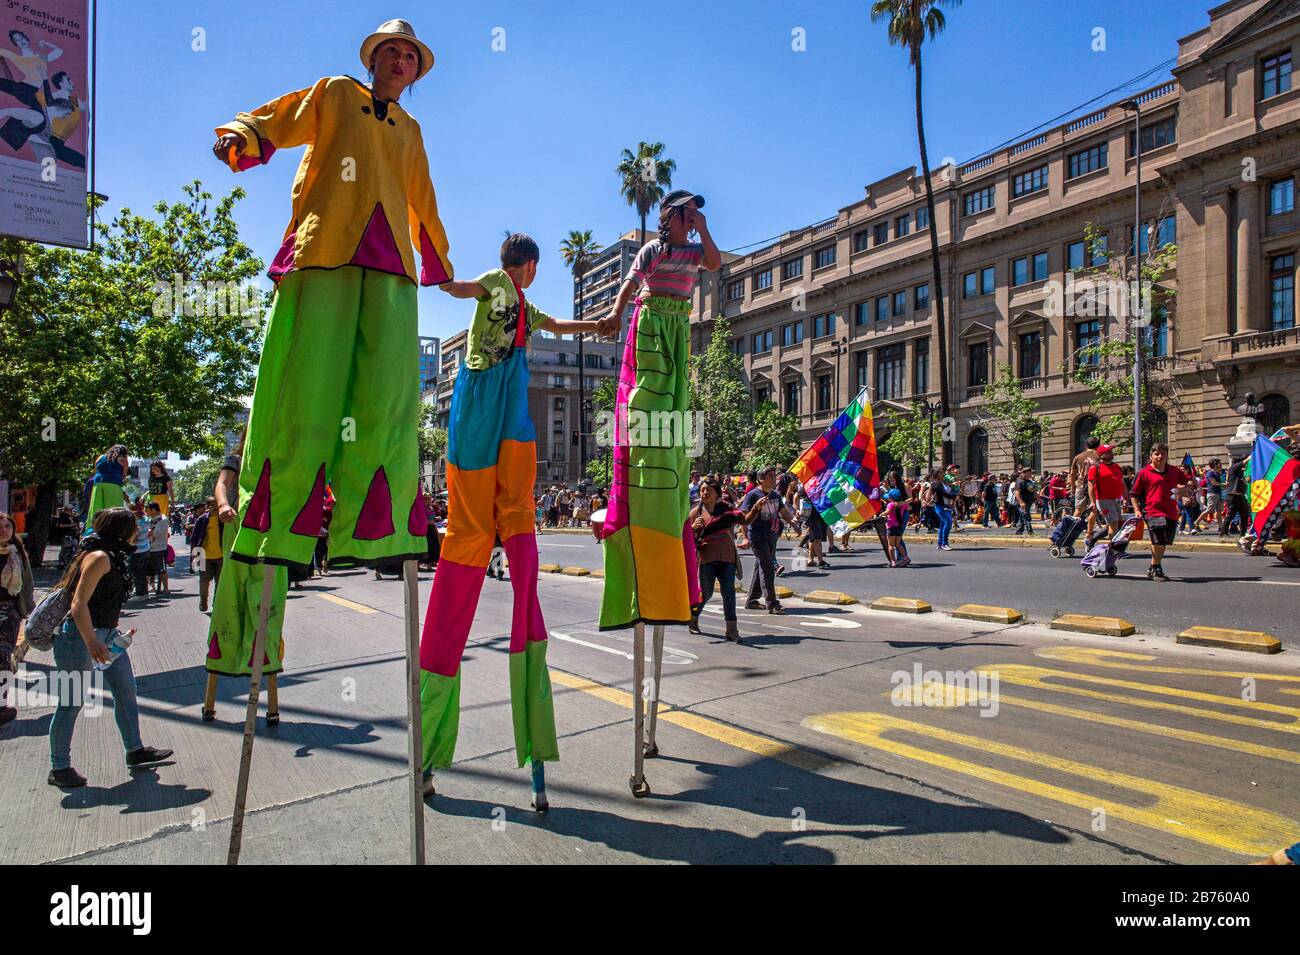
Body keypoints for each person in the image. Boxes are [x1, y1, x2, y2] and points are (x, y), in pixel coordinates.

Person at [213, 19, 453, 570]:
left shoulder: (410, 129)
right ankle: (286, 532)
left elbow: (423, 196)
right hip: (325, 253)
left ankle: (379, 534)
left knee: (387, 402)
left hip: (391, 268)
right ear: (372, 58)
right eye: (390, 51)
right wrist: (244, 135)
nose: (399, 61)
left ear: (416, 70)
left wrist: (439, 262)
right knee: (308, 389)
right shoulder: (337, 92)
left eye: (408, 56)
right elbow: (282, 115)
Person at [419, 233, 604, 805]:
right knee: (472, 537)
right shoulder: (499, 286)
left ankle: (527, 758)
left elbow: (556, 327)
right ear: (524, 265)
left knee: (516, 527)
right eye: (534, 268)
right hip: (480, 396)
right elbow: (461, 287)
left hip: (509, 408)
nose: (533, 277)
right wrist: (432, 266)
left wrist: (595, 328)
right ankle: (430, 749)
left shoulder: (524, 305)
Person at [596, 189, 720, 631]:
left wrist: (703, 230)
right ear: (672, 214)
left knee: (676, 402)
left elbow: (716, 263)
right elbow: (630, 286)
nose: (694, 217)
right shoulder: (655, 248)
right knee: (648, 396)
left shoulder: (693, 250)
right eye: (689, 212)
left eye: (697, 213)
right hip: (651, 322)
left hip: (678, 326)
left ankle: (663, 449)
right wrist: (615, 313)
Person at [48, 508, 174, 787]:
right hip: (79, 638)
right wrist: (92, 640)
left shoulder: (111, 556)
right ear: (122, 531)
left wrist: (112, 633)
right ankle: (59, 767)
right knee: (70, 703)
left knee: (126, 691)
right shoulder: (99, 558)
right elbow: (78, 604)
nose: (138, 532)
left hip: (107, 635)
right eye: (134, 528)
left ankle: (135, 750)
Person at [688, 479, 742, 642]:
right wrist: (693, 528)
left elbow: (742, 521)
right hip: (707, 559)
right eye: (702, 490)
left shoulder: (726, 510)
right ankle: (693, 618)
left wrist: (746, 536)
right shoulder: (695, 513)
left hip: (727, 558)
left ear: (717, 493)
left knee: (729, 594)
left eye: (708, 490)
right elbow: (687, 539)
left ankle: (731, 630)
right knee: (706, 593)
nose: (704, 493)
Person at [1129, 442, 1189, 582]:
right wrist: (1137, 510)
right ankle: (1157, 568)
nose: (1160, 456)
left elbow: (1189, 482)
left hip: (1171, 511)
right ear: (1151, 456)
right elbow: (1134, 494)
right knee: (1158, 540)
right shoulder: (1144, 473)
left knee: (1164, 541)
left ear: (1167, 455)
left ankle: (1152, 566)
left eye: (1163, 453)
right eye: (1156, 454)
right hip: (1152, 511)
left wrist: (1183, 491)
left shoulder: (1174, 471)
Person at [740, 466, 795, 614]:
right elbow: (743, 517)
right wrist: (745, 538)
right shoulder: (752, 495)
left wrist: (794, 524)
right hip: (758, 537)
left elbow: (783, 511)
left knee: (761, 567)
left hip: (772, 536)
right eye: (770, 476)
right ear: (761, 479)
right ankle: (772, 603)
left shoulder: (775, 495)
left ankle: (751, 600)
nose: (774, 478)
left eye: (774, 475)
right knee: (768, 568)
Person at [0, 512, 34, 726]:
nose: (4, 530)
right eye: (0, 526)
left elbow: (27, 584)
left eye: (7, 526)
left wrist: (30, 610)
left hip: (10, 612)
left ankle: (1, 706)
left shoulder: (18, 554)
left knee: (3, 657)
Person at [188, 498, 225, 612]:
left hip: (221, 556)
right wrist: (193, 558)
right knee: (204, 581)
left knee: (221, 582)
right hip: (203, 556)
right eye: (212, 505)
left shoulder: (223, 519)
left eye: (217, 505)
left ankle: (216, 603)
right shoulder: (201, 520)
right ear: (207, 507)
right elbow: (194, 540)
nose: (215, 507)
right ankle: (203, 600)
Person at [1085, 443, 1126, 546]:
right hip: (1103, 500)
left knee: (1112, 525)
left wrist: (1126, 497)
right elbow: (1091, 486)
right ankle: (1114, 548)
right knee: (1114, 523)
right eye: (1107, 453)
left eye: (1111, 452)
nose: (1111, 454)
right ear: (1100, 455)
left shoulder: (1116, 466)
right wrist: (1093, 502)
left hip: (1116, 499)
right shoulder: (1095, 468)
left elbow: (1122, 483)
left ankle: (1090, 540)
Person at [85, 444, 129, 529]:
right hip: (113, 485)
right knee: (114, 511)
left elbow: (95, 471)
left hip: (98, 485)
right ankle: (112, 530)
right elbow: (123, 476)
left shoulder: (100, 458)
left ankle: (92, 529)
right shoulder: (123, 460)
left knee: (96, 508)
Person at [1070, 436, 1101, 534]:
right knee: (1093, 508)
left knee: (1078, 509)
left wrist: (1073, 487)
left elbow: (1072, 474)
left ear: (1085, 445)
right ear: (1098, 445)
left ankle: (1069, 530)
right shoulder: (1099, 456)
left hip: (1081, 485)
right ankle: (1089, 532)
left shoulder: (1078, 457)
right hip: (1095, 485)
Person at [1220, 455, 1250, 539]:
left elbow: (1244, 480)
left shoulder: (1239, 472)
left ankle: (1243, 534)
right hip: (1232, 496)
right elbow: (1244, 462)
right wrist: (1252, 455)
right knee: (1230, 515)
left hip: (1240, 496)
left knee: (1245, 515)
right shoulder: (1233, 467)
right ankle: (1223, 533)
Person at [884, 489, 911, 567]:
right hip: (899, 526)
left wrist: (881, 514)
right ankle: (906, 557)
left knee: (891, 545)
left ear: (891, 498)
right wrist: (903, 503)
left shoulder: (891, 504)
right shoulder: (902, 504)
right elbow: (909, 508)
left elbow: (887, 512)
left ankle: (893, 561)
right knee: (898, 544)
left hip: (891, 527)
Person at [1015, 468, 1037, 535]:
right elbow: (1017, 492)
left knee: (1022, 516)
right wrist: (1021, 502)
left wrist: (1038, 498)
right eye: (1029, 473)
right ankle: (1030, 531)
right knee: (1026, 515)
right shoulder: (1020, 481)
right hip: (1023, 502)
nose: (1031, 474)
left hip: (1029, 502)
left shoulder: (1029, 482)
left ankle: (1019, 531)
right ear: (1025, 473)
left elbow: (1032, 491)